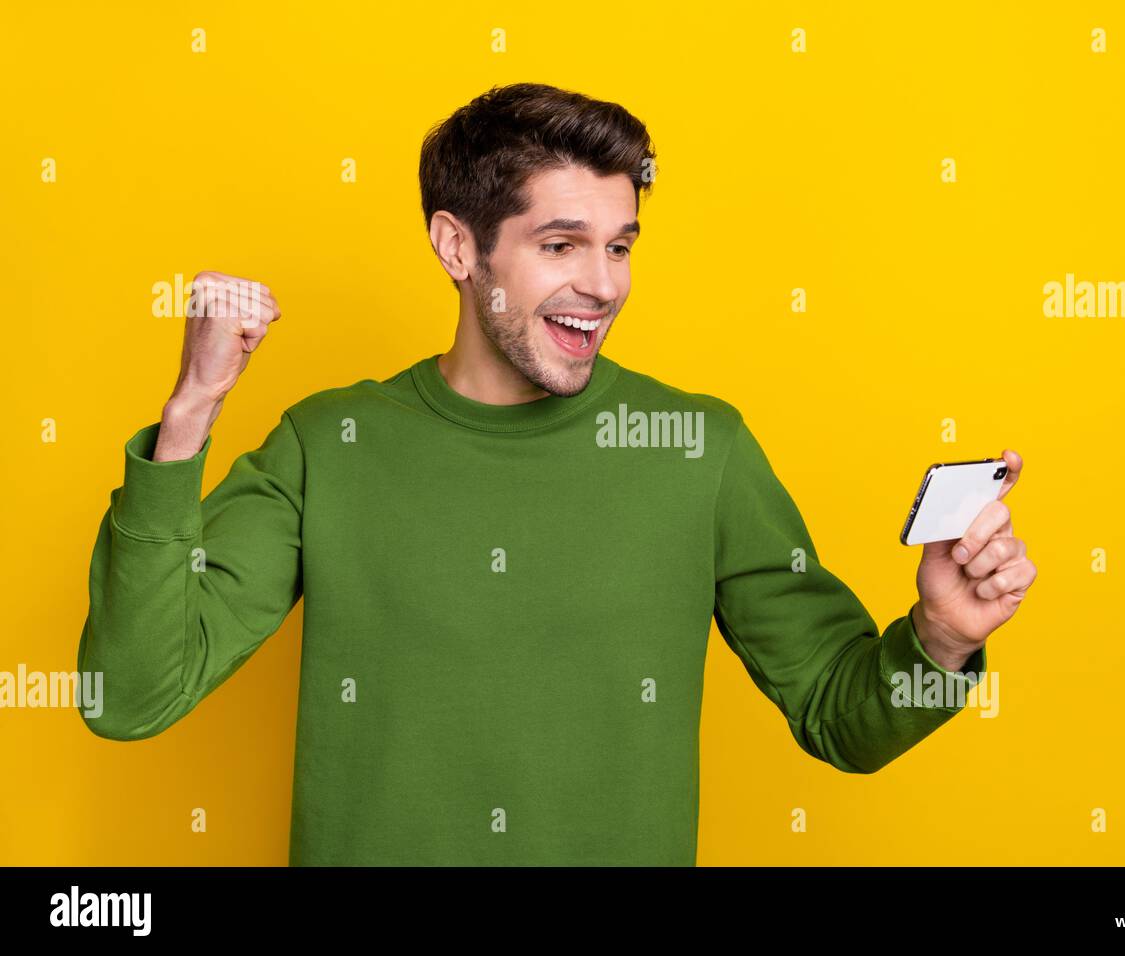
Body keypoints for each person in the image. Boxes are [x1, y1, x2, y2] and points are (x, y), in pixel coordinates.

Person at [77, 82, 1036, 866]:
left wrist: (940, 641)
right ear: (458, 246)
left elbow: (842, 719)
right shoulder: (328, 443)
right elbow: (128, 698)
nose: (604, 284)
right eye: (561, 245)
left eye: (619, 247)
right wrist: (190, 415)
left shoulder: (697, 448)